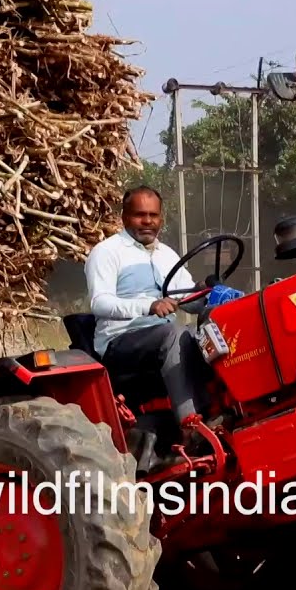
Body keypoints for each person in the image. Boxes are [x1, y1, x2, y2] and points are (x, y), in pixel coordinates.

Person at [84, 185, 221, 456]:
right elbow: (99, 302)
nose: (147, 221)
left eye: (153, 215)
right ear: (124, 217)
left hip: (160, 337)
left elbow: (188, 300)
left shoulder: (166, 255)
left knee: (214, 331)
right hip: (120, 343)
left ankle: (227, 411)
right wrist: (148, 305)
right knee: (173, 333)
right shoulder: (107, 252)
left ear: (161, 218)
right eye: (139, 215)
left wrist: (206, 292)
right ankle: (192, 427)